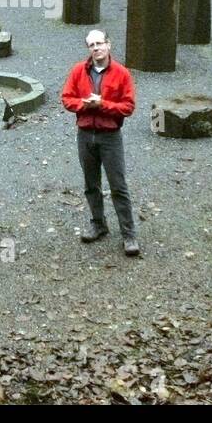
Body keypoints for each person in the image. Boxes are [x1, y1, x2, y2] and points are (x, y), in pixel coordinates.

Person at [60, 29, 139, 256]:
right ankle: (98, 224)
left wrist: (103, 104)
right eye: (91, 45)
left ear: (108, 45)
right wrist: (84, 105)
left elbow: (128, 106)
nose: (96, 48)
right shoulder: (78, 71)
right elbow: (66, 98)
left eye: (99, 43)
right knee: (91, 185)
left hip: (110, 137)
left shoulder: (122, 73)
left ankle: (129, 234)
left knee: (118, 186)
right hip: (85, 135)